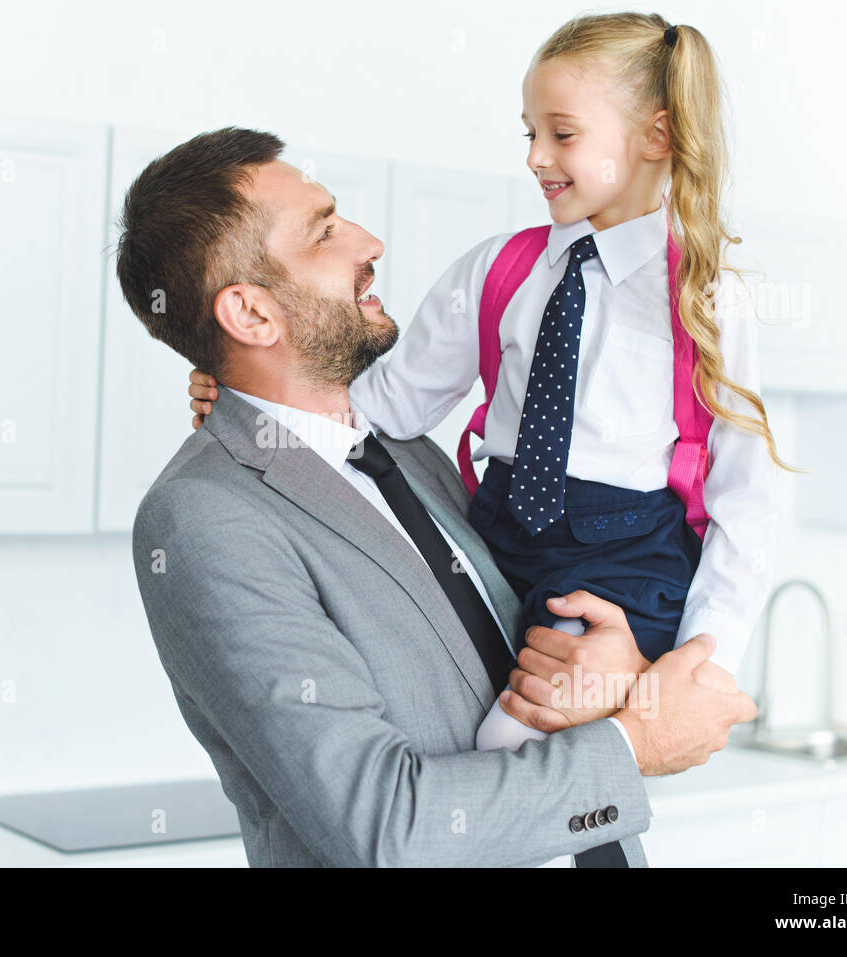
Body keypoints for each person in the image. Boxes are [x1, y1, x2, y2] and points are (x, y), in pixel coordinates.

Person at [119, 124, 756, 867]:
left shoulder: (408, 451)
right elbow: (387, 827)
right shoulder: (204, 517)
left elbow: (521, 646)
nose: (367, 242)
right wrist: (635, 742)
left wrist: (620, 676)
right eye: (324, 232)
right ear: (253, 314)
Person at [187, 12, 783, 759]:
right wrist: (254, 406)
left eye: (562, 134)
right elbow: (389, 401)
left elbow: (746, 497)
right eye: (529, 133)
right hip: (497, 535)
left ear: (655, 138)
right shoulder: (497, 269)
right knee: (435, 706)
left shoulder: (705, 297)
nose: (536, 157)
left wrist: (701, 661)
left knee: (503, 739)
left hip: (620, 560)